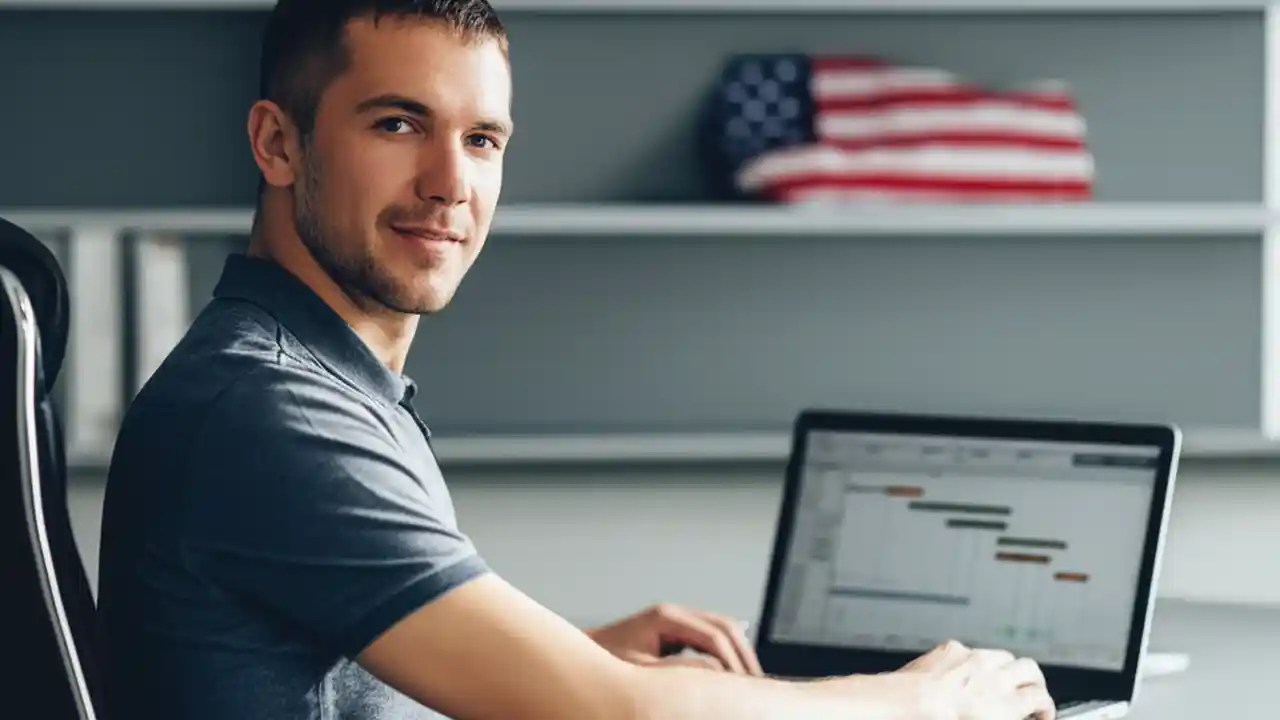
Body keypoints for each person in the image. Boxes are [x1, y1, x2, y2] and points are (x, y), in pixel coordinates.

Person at [96, 1, 1056, 718]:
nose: (449, 184)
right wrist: (915, 704)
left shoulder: (323, 380)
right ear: (278, 143)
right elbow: (607, 715)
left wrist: (582, 654)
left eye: (482, 140)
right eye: (397, 124)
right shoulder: (271, 408)